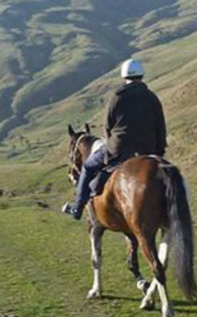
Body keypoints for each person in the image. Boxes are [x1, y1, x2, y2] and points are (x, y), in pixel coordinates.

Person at [62, 58, 167, 220]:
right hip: (149, 149)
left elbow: (108, 126)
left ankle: (77, 207)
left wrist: (111, 144)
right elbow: (161, 127)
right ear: (142, 75)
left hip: (120, 148)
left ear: (124, 75)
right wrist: (158, 152)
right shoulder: (152, 98)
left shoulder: (117, 96)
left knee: (88, 167)